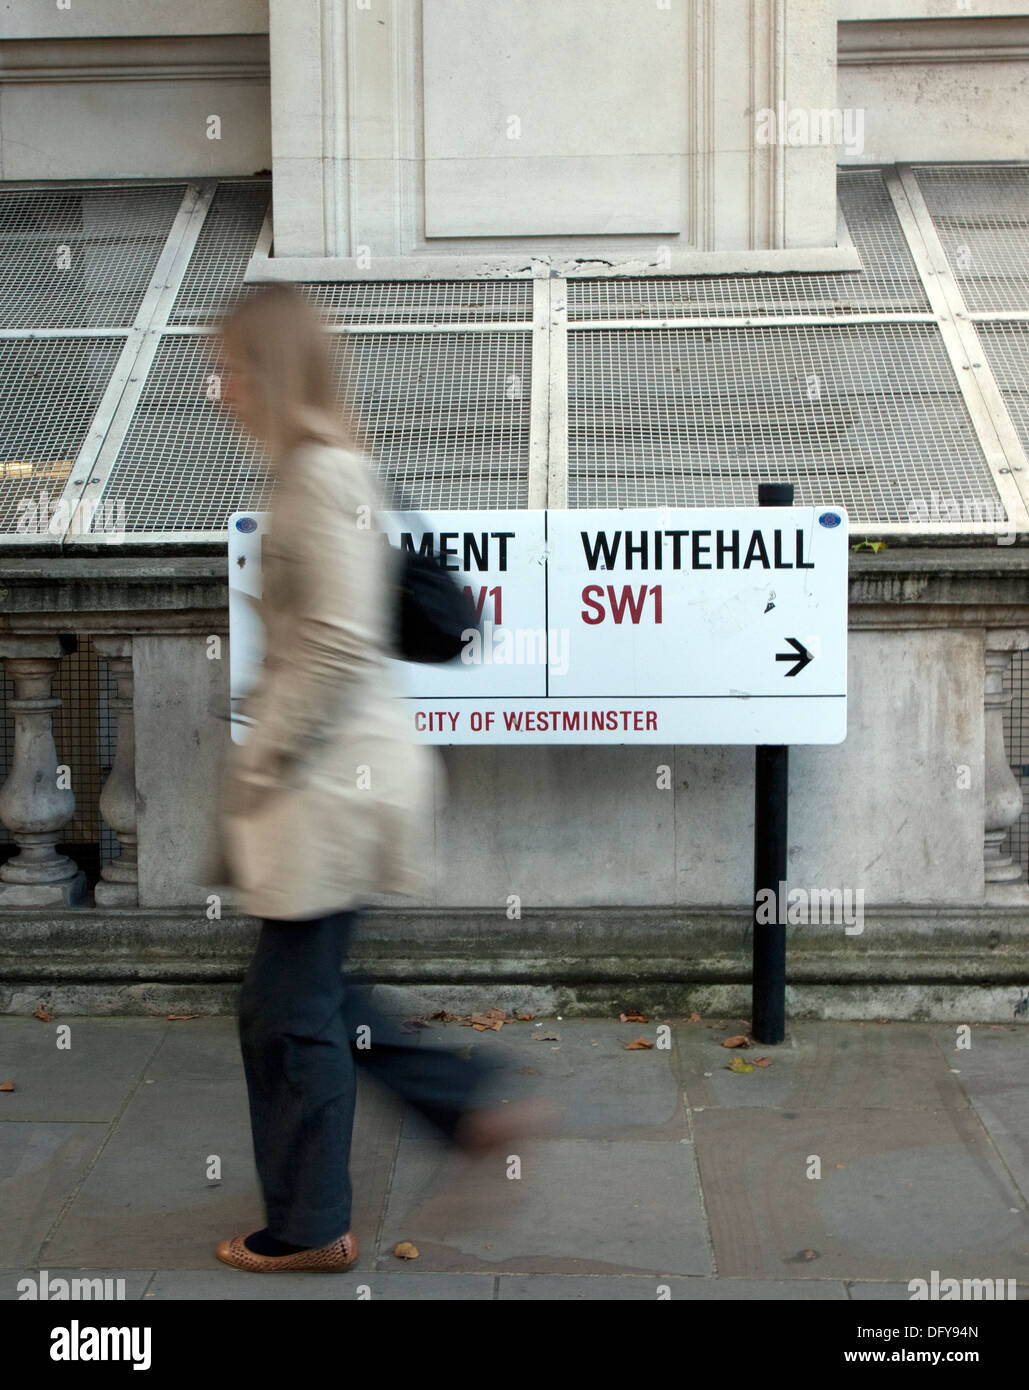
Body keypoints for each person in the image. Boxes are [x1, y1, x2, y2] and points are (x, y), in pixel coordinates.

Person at [212, 284, 552, 1273]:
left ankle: (315, 1222)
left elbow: (331, 647)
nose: (218, 388)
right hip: (340, 777)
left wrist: (262, 761)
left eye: (230, 366)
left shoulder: (319, 475)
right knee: (306, 998)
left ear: (272, 370)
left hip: (327, 784)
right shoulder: (321, 469)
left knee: (290, 1008)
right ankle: (467, 1108)